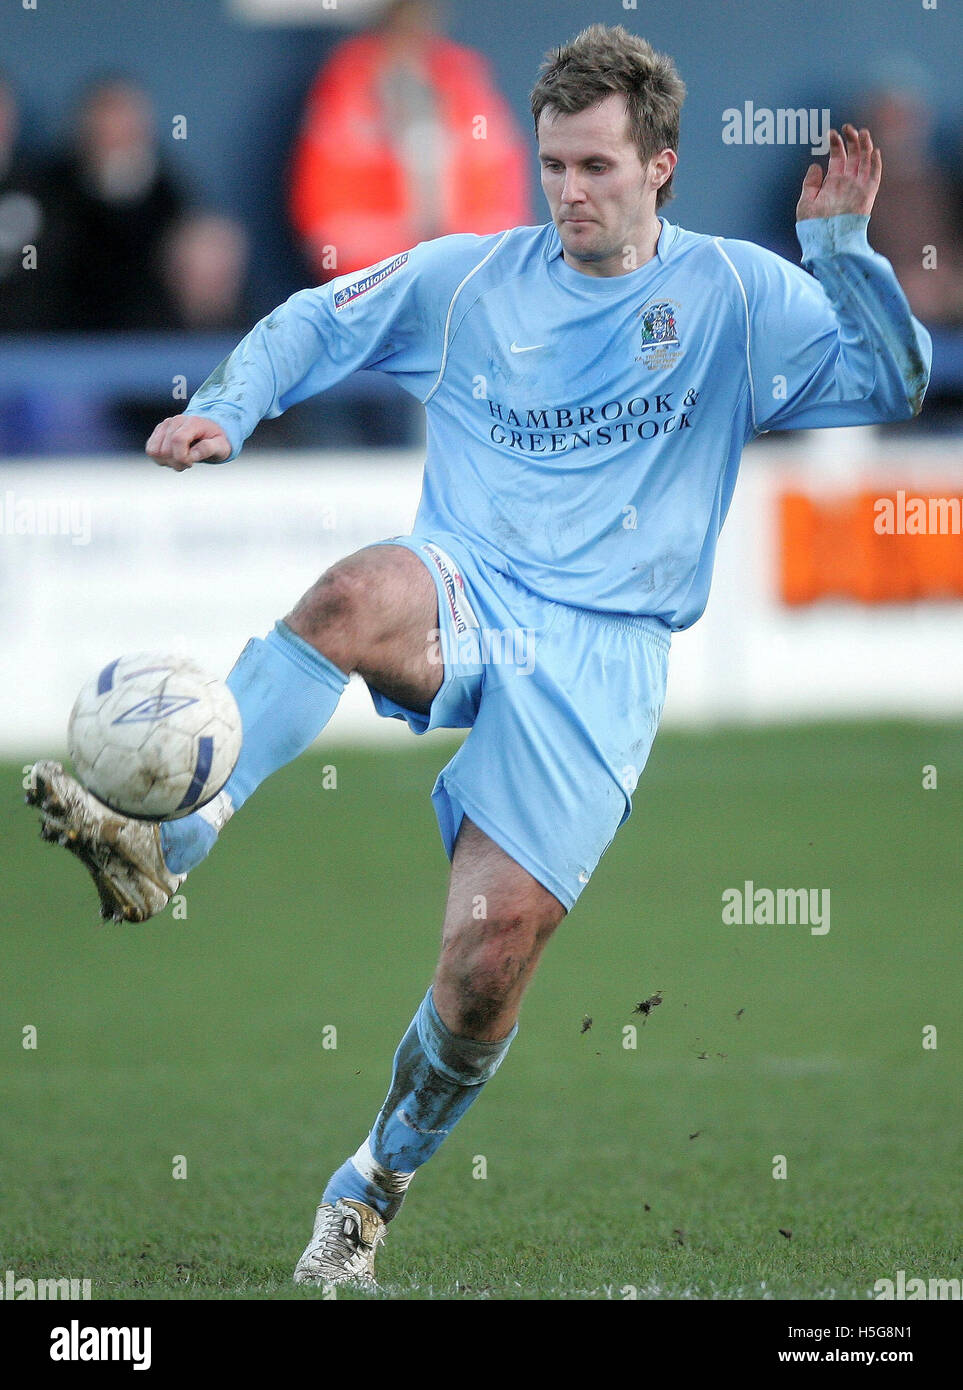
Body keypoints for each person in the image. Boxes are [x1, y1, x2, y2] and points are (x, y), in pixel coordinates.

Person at [27, 24, 931, 1289]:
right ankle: (171, 834)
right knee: (351, 593)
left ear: (661, 167)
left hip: (606, 656)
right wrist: (225, 406)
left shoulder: (735, 294)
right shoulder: (473, 282)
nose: (570, 192)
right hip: (471, 581)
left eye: (598, 168)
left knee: (482, 972)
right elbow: (311, 319)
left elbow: (892, 384)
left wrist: (842, 255)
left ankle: (372, 1183)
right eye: (555, 164)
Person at [288, 0, 530, 281]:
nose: (413, 29)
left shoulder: (462, 76)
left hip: (463, 276)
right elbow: (326, 210)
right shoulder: (347, 81)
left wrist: (477, 261)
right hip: (373, 281)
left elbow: (502, 182)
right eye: (403, 19)